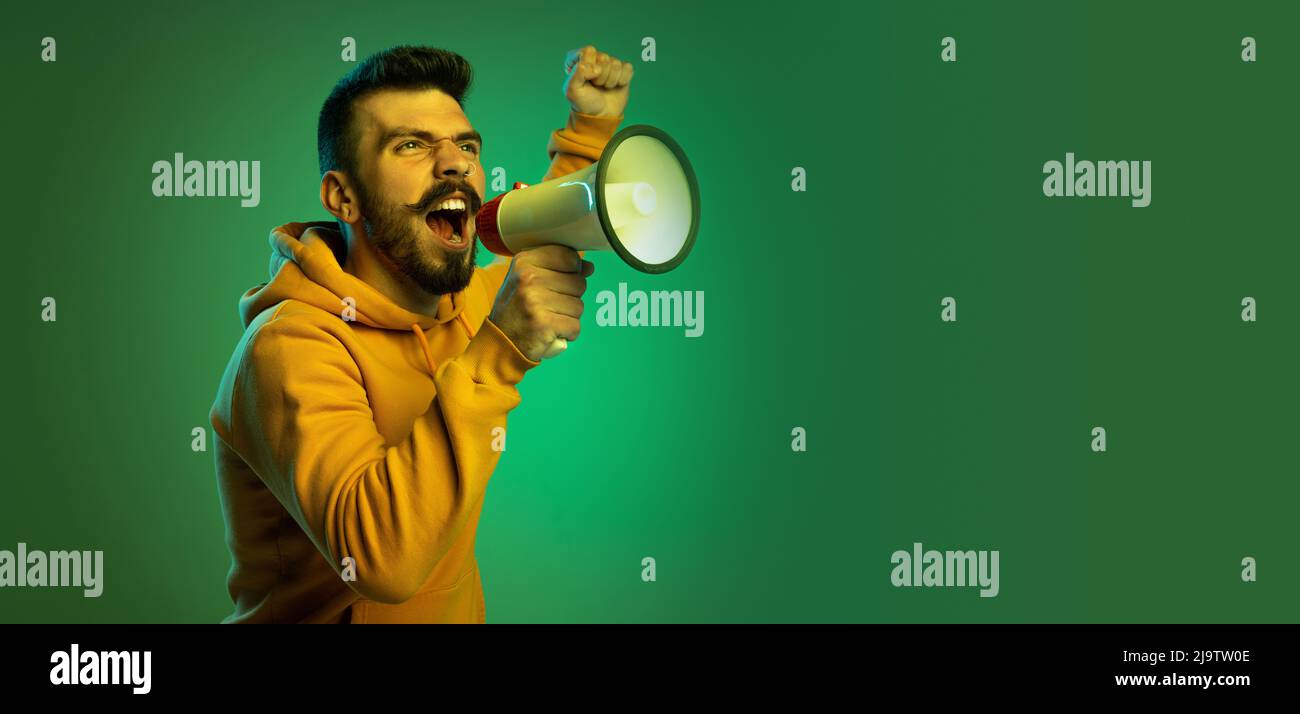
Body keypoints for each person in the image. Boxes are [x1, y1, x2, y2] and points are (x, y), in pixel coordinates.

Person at [209, 44, 633, 623]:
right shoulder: (288, 345)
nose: (455, 163)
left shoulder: (459, 311)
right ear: (343, 197)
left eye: (467, 146)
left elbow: (543, 228)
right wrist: (496, 356)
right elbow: (381, 562)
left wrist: (592, 124)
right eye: (411, 145)